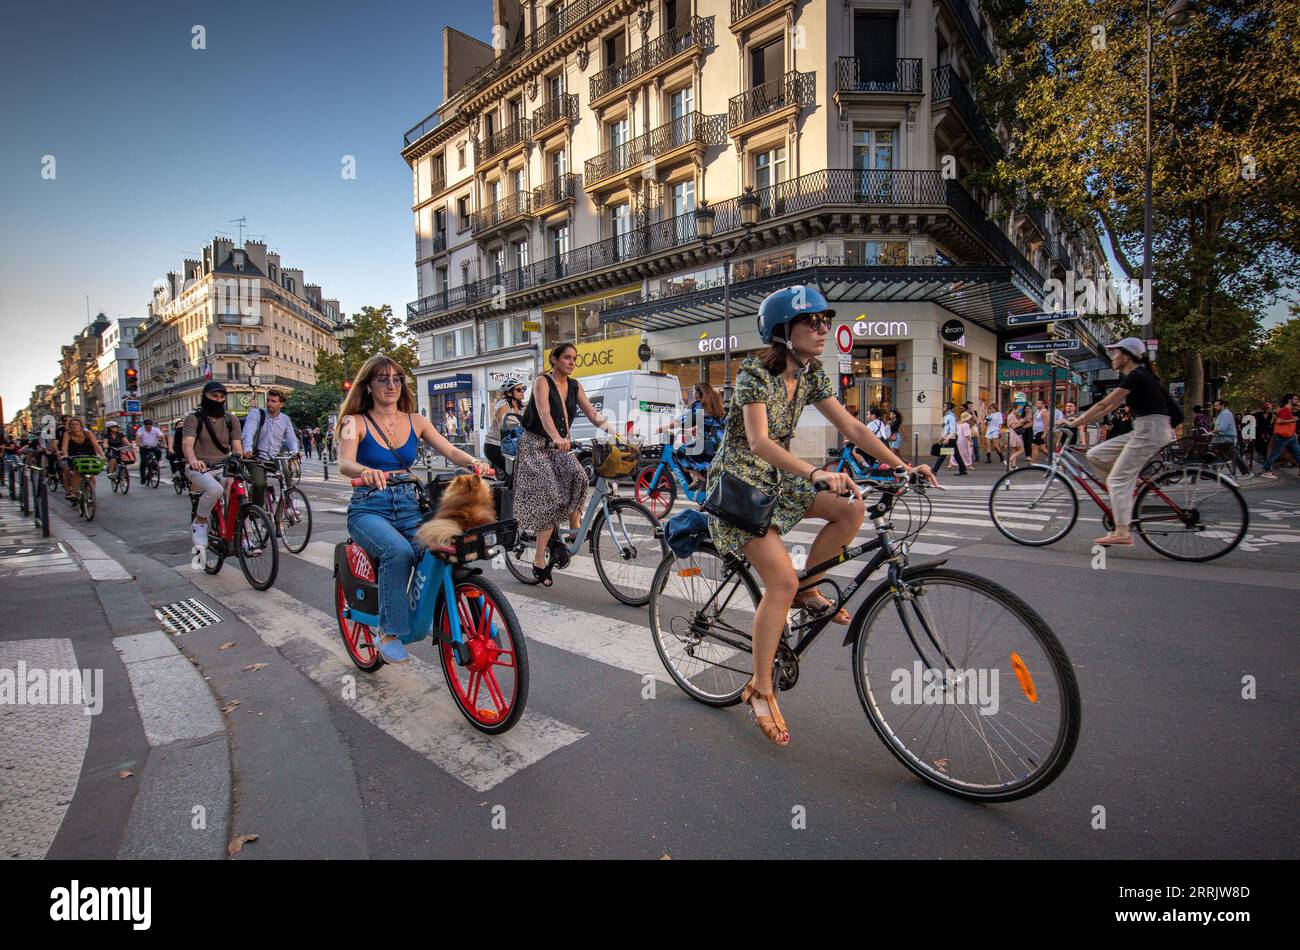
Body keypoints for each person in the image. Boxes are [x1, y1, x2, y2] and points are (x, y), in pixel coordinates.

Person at [704, 285, 936, 747]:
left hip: (779, 478)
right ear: (783, 332)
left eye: (825, 319)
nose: (823, 327)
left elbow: (850, 425)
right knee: (780, 583)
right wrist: (816, 473)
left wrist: (901, 466)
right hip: (740, 488)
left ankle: (808, 589)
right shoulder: (755, 372)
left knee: (851, 508)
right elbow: (758, 444)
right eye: (812, 321)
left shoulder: (810, 373)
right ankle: (760, 688)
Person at [337, 355, 489, 663]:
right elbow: (344, 462)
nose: (392, 385)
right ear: (368, 385)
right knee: (398, 552)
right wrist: (364, 471)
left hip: (409, 504)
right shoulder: (354, 422)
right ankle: (389, 632)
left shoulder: (415, 420)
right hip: (369, 507)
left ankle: (440, 610)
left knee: (445, 546)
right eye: (383, 379)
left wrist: (475, 463)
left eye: (397, 378)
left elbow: (448, 449)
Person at [515, 342, 624, 585]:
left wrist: (618, 434)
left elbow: (593, 415)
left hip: (558, 444)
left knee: (580, 477)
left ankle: (573, 528)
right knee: (551, 496)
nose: (572, 362)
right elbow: (543, 413)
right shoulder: (542, 381)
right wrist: (555, 436)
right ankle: (539, 558)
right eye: (566, 357)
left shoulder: (575, 386)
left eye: (574, 358)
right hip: (535, 444)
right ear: (554, 359)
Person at [1064, 338, 1176, 546]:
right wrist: (1083, 419)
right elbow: (1106, 408)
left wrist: (1078, 421)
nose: (1112, 357)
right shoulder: (1137, 376)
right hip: (1144, 429)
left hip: (1150, 430)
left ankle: (1123, 532)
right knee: (1095, 454)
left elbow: (1105, 403)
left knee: (1117, 480)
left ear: (1126, 356)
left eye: (1115, 353)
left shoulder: (1136, 376)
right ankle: (1125, 490)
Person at [182, 382, 245, 551]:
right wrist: (193, 460)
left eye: (222, 397)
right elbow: (187, 443)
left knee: (240, 489)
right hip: (199, 467)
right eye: (214, 396)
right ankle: (200, 522)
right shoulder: (193, 418)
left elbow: (237, 444)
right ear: (205, 396)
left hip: (224, 465)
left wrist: (238, 460)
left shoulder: (231, 419)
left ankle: (242, 535)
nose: (218, 400)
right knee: (215, 490)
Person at [241, 388, 301, 509]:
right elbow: (248, 432)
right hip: (255, 457)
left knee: (286, 475)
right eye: (268, 400)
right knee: (259, 483)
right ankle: (257, 511)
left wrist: (295, 452)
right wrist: (247, 449)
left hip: (274, 457)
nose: (269, 403)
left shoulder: (285, 419)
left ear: (281, 404)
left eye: (273, 401)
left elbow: (291, 438)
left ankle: (289, 506)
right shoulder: (256, 414)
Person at [484, 379, 527, 473]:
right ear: (510, 393)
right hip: (494, 446)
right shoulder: (503, 406)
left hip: (510, 445)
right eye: (519, 390)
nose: (522, 391)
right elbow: (502, 427)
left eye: (523, 389)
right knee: (516, 472)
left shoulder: (522, 407)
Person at [59, 417, 104, 500]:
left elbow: (96, 446)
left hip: (89, 455)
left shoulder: (88, 433)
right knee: (77, 471)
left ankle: (90, 493)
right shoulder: (67, 434)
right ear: (69, 426)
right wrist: (65, 454)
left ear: (80, 425)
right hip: (74, 455)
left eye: (77, 424)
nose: (74, 426)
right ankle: (74, 493)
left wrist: (103, 456)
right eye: (72, 425)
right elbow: (64, 447)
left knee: (91, 474)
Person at [1259, 393, 1300, 480]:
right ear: (1289, 400)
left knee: (1298, 453)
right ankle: (1266, 471)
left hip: (1290, 435)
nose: (1297, 401)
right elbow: (1280, 421)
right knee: (1276, 453)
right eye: (1295, 399)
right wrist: (1294, 419)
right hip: (1283, 435)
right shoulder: (1285, 409)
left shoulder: (1288, 409)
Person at [1210, 398, 1250, 478]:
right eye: (1214, 405)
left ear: (1222, 405)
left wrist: (1211, 432)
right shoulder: (1221, 414)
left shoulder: (1226, 414)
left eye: (1217, 405)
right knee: (1230, 455)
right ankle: (1217, 468)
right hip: (1222, 438)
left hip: (1227, 439)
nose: (1215, 407)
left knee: (1231, 455)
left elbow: (1222, 427)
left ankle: (1246, 472)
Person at [931, 402, 966, 475]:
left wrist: (947, 438)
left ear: (948, 407)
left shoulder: (950, 416)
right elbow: (947, 428)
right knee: (956, 454)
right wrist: (942, 437)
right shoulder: (948, 415)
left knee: (943, 455)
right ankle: (963, 469)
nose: (943, 408)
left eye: (944, 406)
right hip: (950, 437)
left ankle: (934, 470)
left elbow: (952, 429)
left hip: (951, 438)